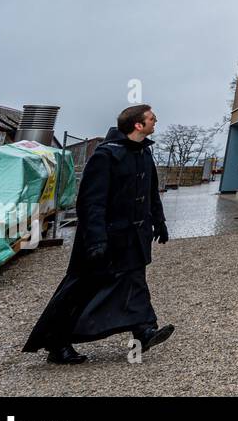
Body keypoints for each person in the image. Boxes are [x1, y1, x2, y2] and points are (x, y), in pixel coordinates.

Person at [23, 104, 175, 364]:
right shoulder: (106, 156)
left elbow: (151, 194)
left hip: (134, 238)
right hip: (105, 239)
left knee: (134, 283)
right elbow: (91, 202)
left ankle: (144, 330)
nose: (155, 121)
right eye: (151, 118)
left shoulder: (144, 154)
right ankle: (57, 342)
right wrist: (96, 240)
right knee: (83, 290)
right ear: (138, 125)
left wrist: (159, 222)